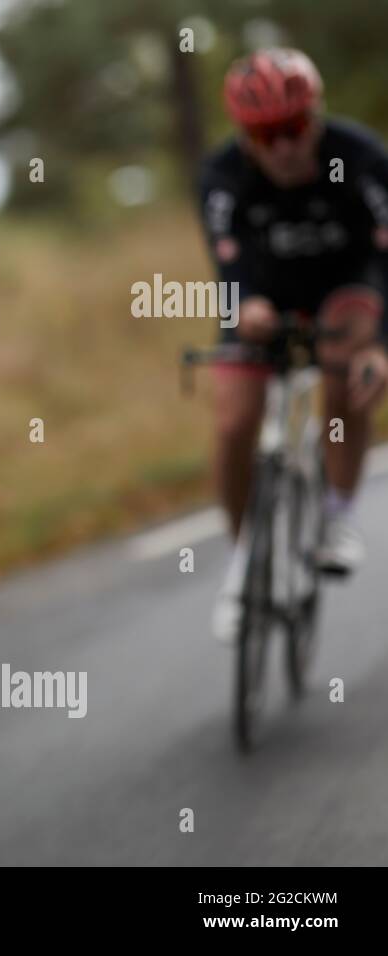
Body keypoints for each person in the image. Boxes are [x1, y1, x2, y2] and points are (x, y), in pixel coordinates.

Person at [198, 49, 388, 642]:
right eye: (264, 134)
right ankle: (245, 561)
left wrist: (380, 345)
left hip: (348, 290)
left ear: (316, 116)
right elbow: (225, 261)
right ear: (244, 135)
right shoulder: (223, 175)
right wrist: (244, 305)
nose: (283, 147)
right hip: (263, 300)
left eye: (294, 129)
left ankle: (337, 515)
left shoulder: (359, 161)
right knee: (234, 423)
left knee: (346, 378)